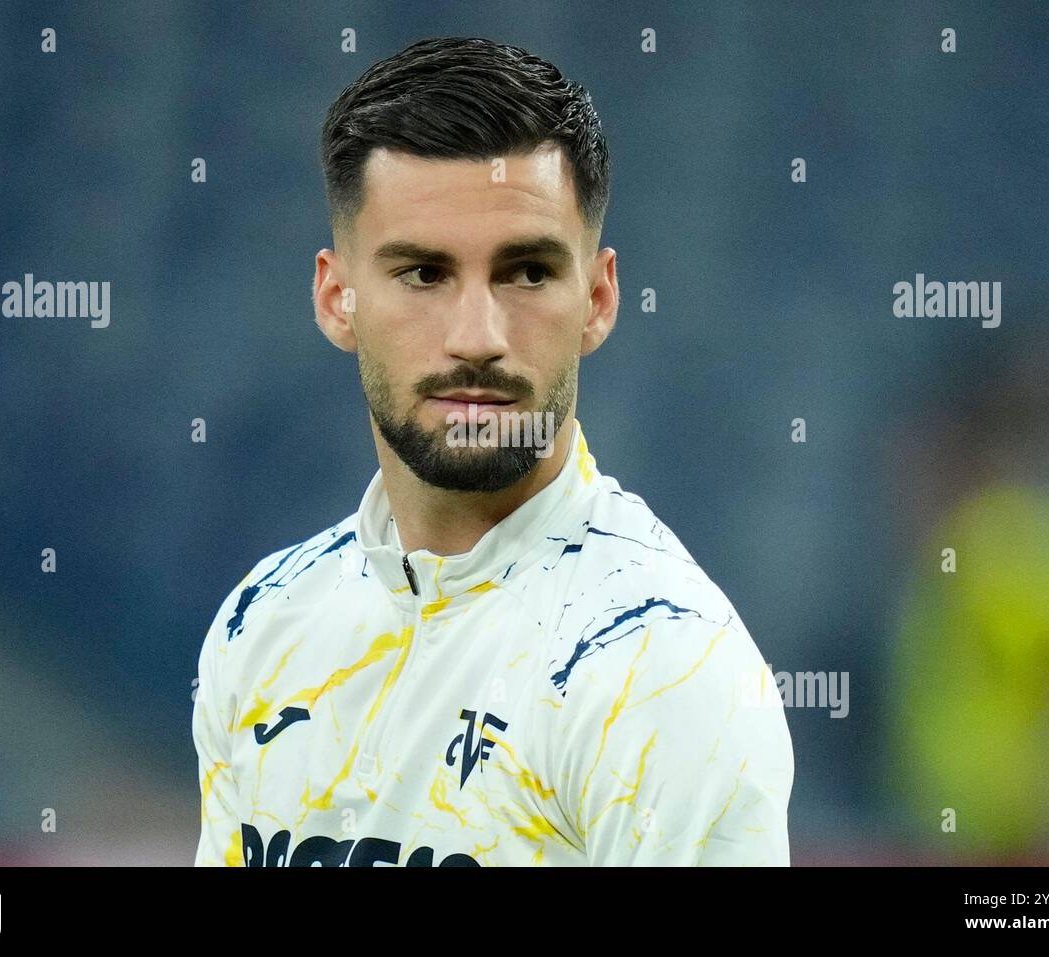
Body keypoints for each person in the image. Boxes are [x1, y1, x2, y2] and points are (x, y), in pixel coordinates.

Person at [192, 36, 793, 866]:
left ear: (598, 297)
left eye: (526, 272)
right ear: (338, 299)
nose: (477, 337)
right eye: (424, 274)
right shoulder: (262, 624)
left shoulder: (660, 668)